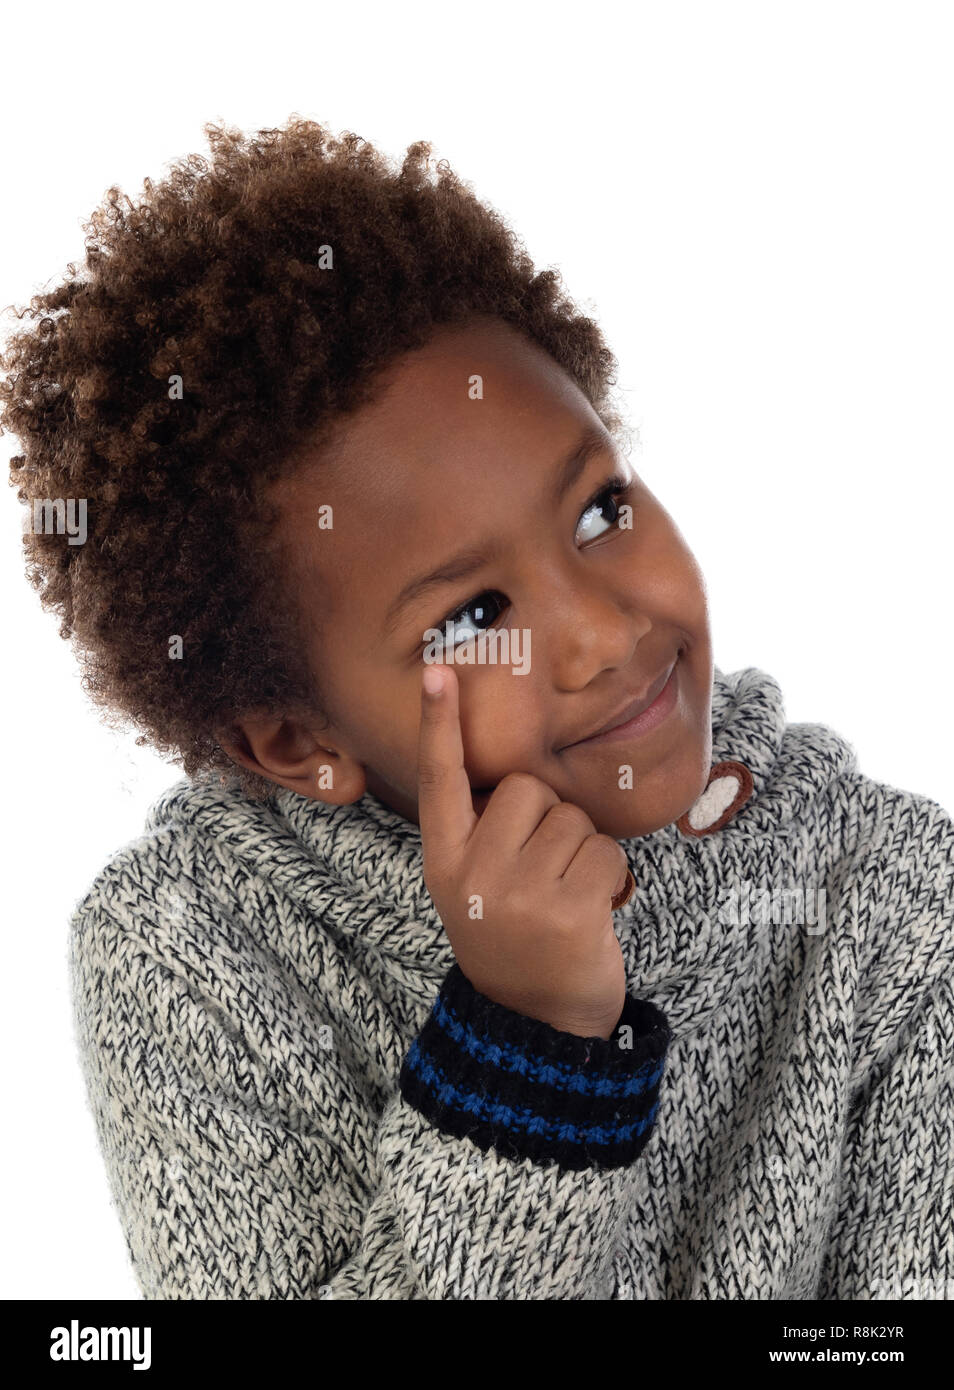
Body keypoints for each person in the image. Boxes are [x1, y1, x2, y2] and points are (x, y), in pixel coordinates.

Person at [3, 117, 951, 1300]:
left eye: (602, 508)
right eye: (469, 618)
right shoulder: (191, 951)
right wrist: (528, 1044)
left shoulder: (894, 901)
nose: (607, 636)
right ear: (296, 742)